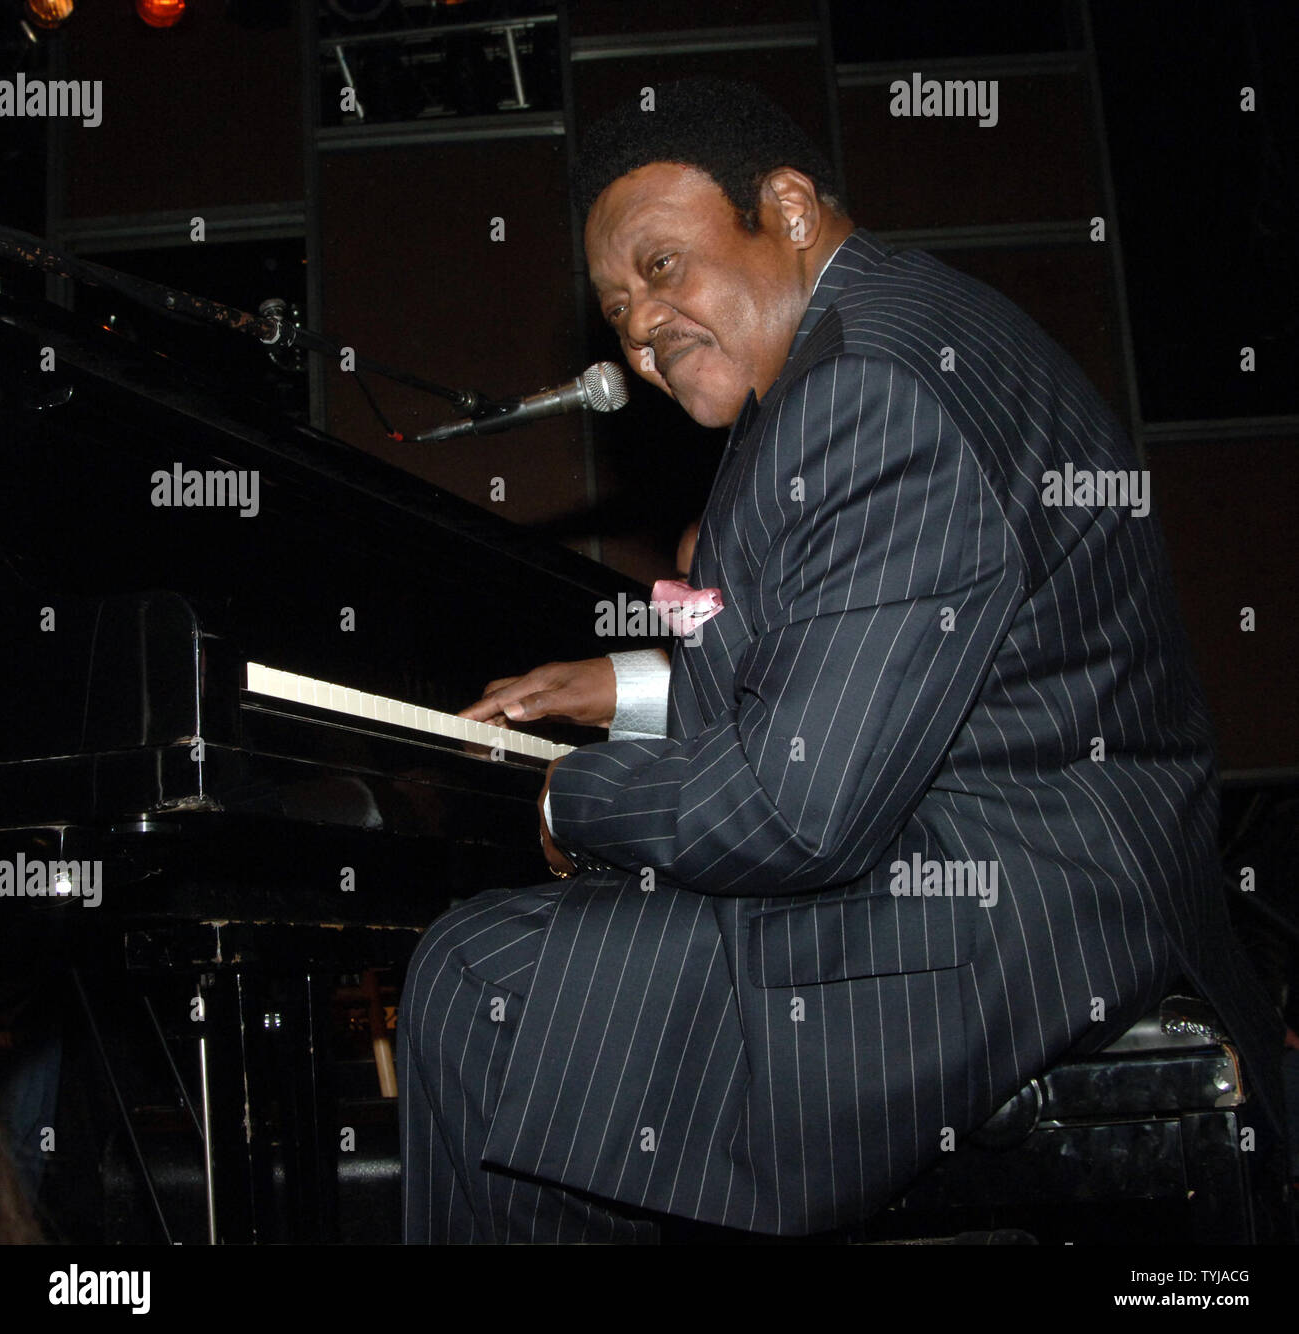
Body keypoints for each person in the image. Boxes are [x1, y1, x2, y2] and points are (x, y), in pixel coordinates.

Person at [398, 78, 1284, 1242]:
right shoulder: (891, 337)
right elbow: (868, 670)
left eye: (661, 267)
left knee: (480, 979)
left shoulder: (865, 386)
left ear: (789, 208)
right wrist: (633, 685)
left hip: (1008, 911)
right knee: (574, 986)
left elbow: (801, 809)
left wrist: (570, 792)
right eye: (615, 306)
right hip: (1043, 868)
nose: (639, 328)